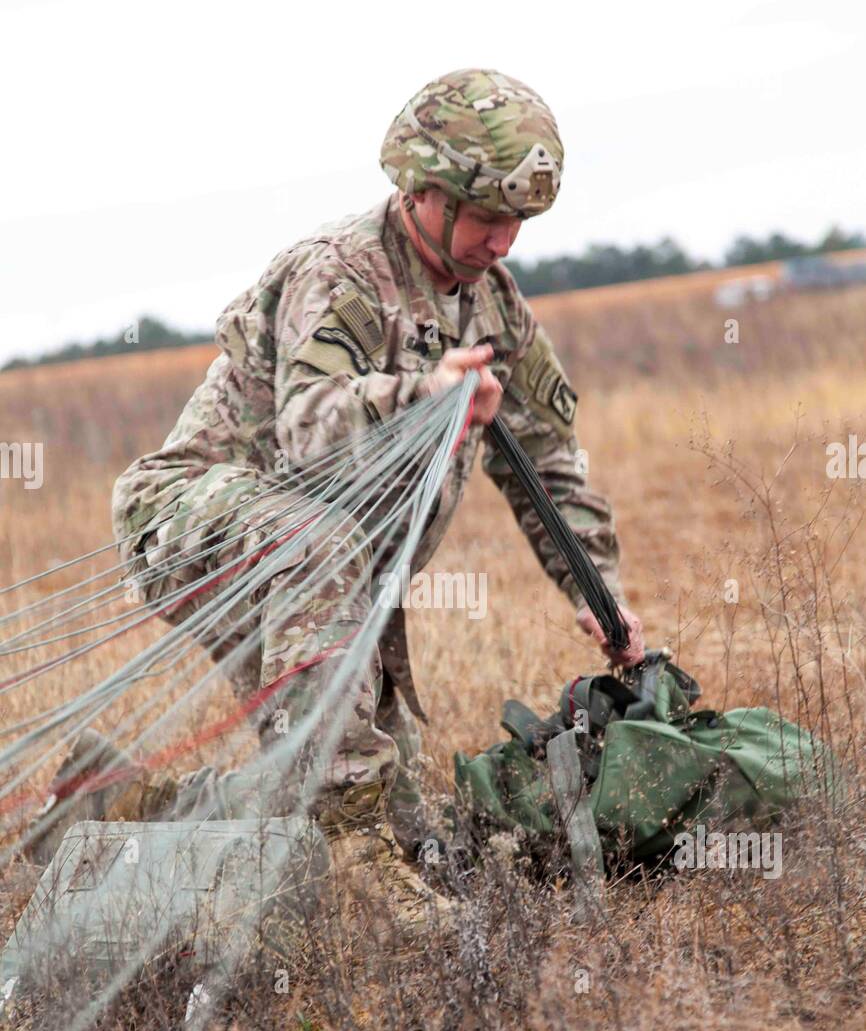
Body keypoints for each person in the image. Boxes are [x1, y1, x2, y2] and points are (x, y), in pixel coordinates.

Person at [29, 69, 644, 926]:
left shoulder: (496, 310)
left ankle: (110, 806)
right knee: (347, 802)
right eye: (488, 217)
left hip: (328, 572)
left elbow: (547, 457)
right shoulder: (340, 273)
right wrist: (425, 394)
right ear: (425, 193)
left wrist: (596, 592)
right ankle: (355, 868)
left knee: (385, 806)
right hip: (198, 519)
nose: (504, 242)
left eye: (519, 224)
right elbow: (309, 429)